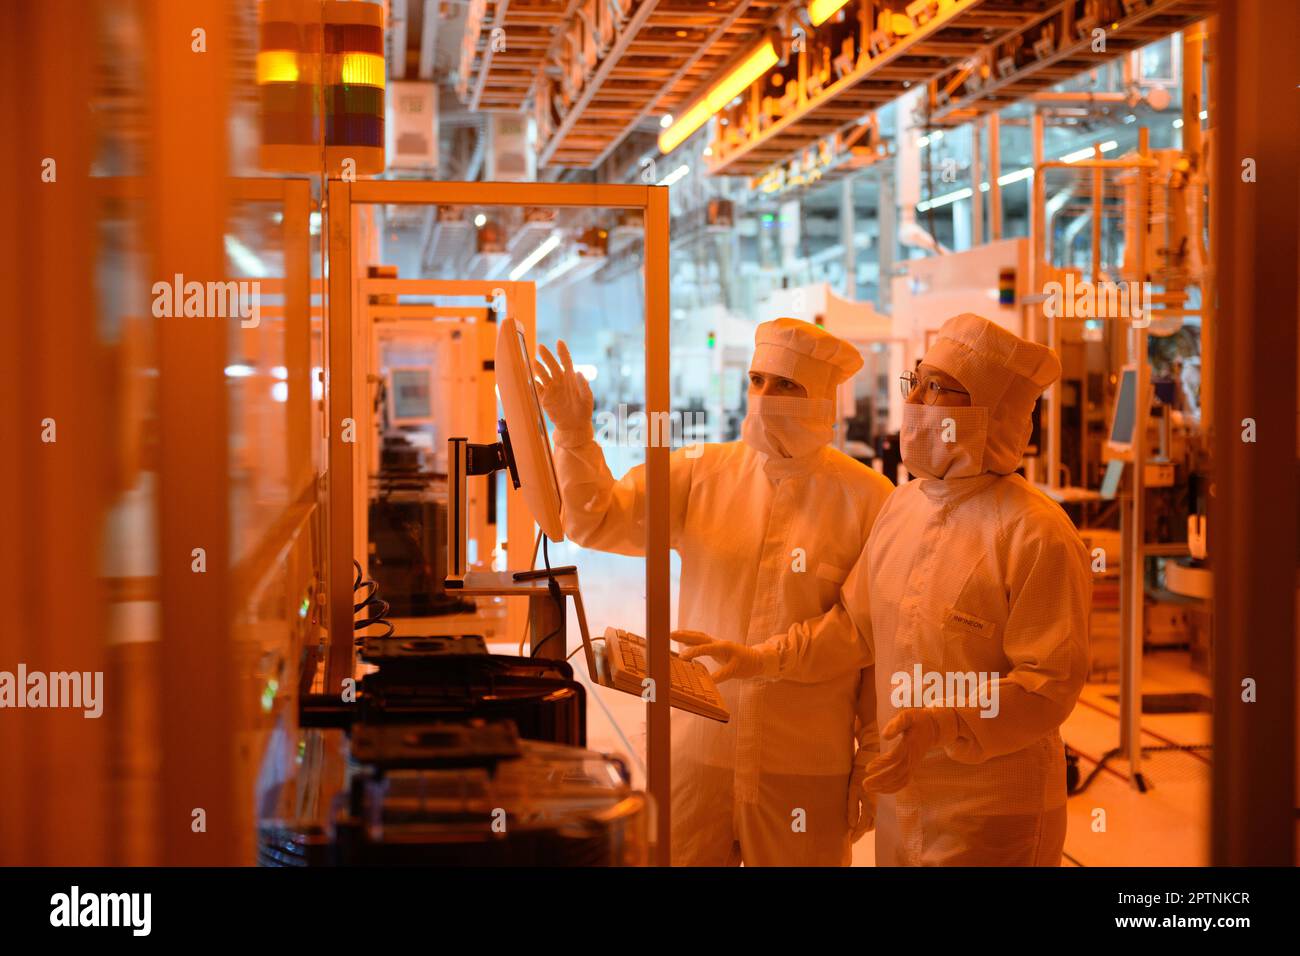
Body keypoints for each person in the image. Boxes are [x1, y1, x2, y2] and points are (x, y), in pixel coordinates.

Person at [683, 313, 1091, 866]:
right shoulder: (905, 507)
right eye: (915, 382)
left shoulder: (1035, 532)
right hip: (904, 802)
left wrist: (947, 722)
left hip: (992, 815)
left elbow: (1048, 685)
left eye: (937, 388)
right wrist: (756, 659)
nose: (916, 400)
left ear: (987, 413)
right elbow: (853, 630)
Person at [534, 319, 894, 866]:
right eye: (757, 380)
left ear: (822, 397)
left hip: (803, 767)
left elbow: (866, 642)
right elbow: (595, 519)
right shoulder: (702, 474)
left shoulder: (867, 499)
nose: (765, 396)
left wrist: (869, 762)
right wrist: (574, 433)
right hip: (698, 752)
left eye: (786, 385)